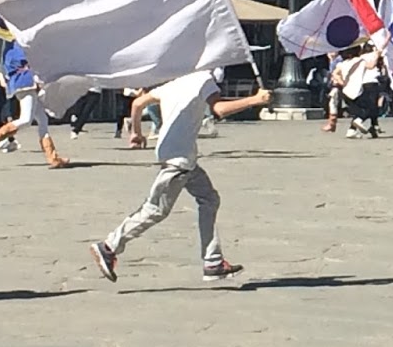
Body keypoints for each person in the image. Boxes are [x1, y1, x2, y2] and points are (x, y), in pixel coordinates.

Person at [89, 73, 271, 284]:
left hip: (182, 158)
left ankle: (213, 262)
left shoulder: (174, 83)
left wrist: (136, 133)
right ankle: (109, 246)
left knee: (209, 199)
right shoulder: (204, 80)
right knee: (155, 210)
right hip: (179, 160)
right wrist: (255, 100)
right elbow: (219, 109)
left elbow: (138, 103)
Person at [0, 42, 67, 168]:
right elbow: (33, 59)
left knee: (42, 120)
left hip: (19, 81)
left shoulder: (8, 45)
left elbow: (4, 66)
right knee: (26, 119)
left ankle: (52, 157)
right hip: (25, 81)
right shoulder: (21, 42)